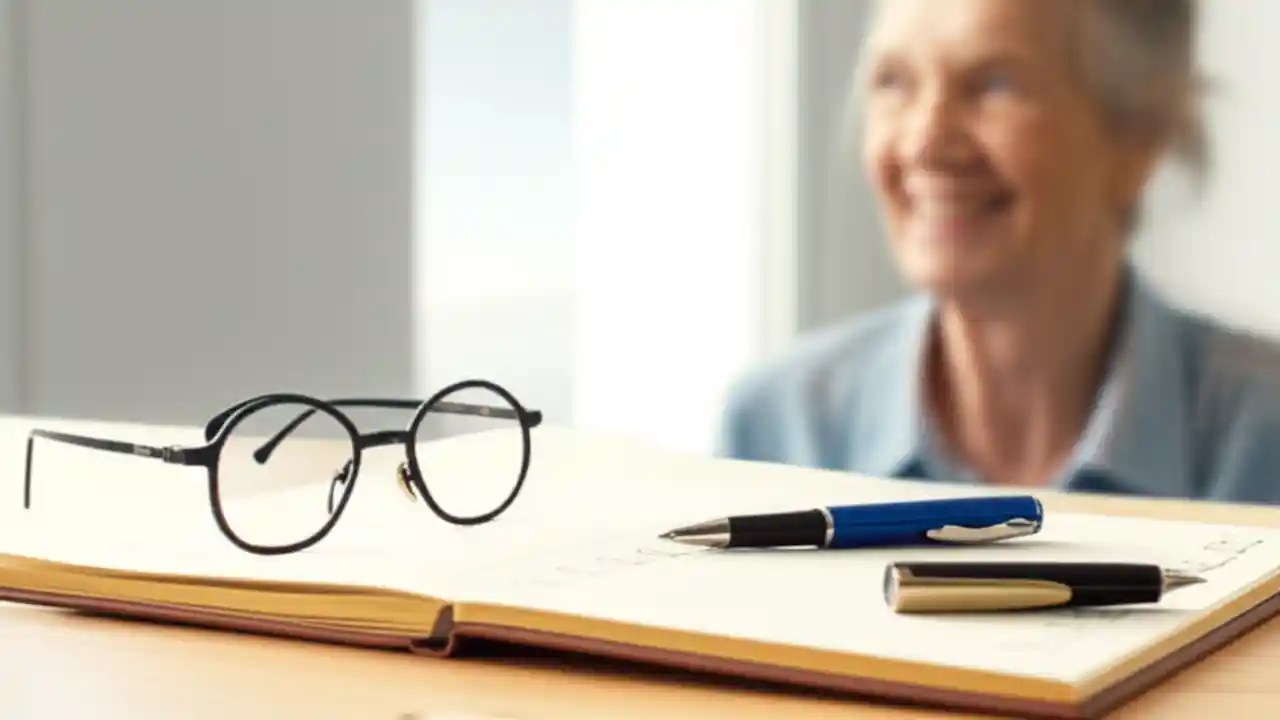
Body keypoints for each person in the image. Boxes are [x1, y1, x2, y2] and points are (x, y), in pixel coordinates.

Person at [721, 0, 1280, 504]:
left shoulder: (1261, 437)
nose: (924, 141)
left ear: (1139, 140)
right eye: (894, 81)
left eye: (994, 85)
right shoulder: (776, 432)